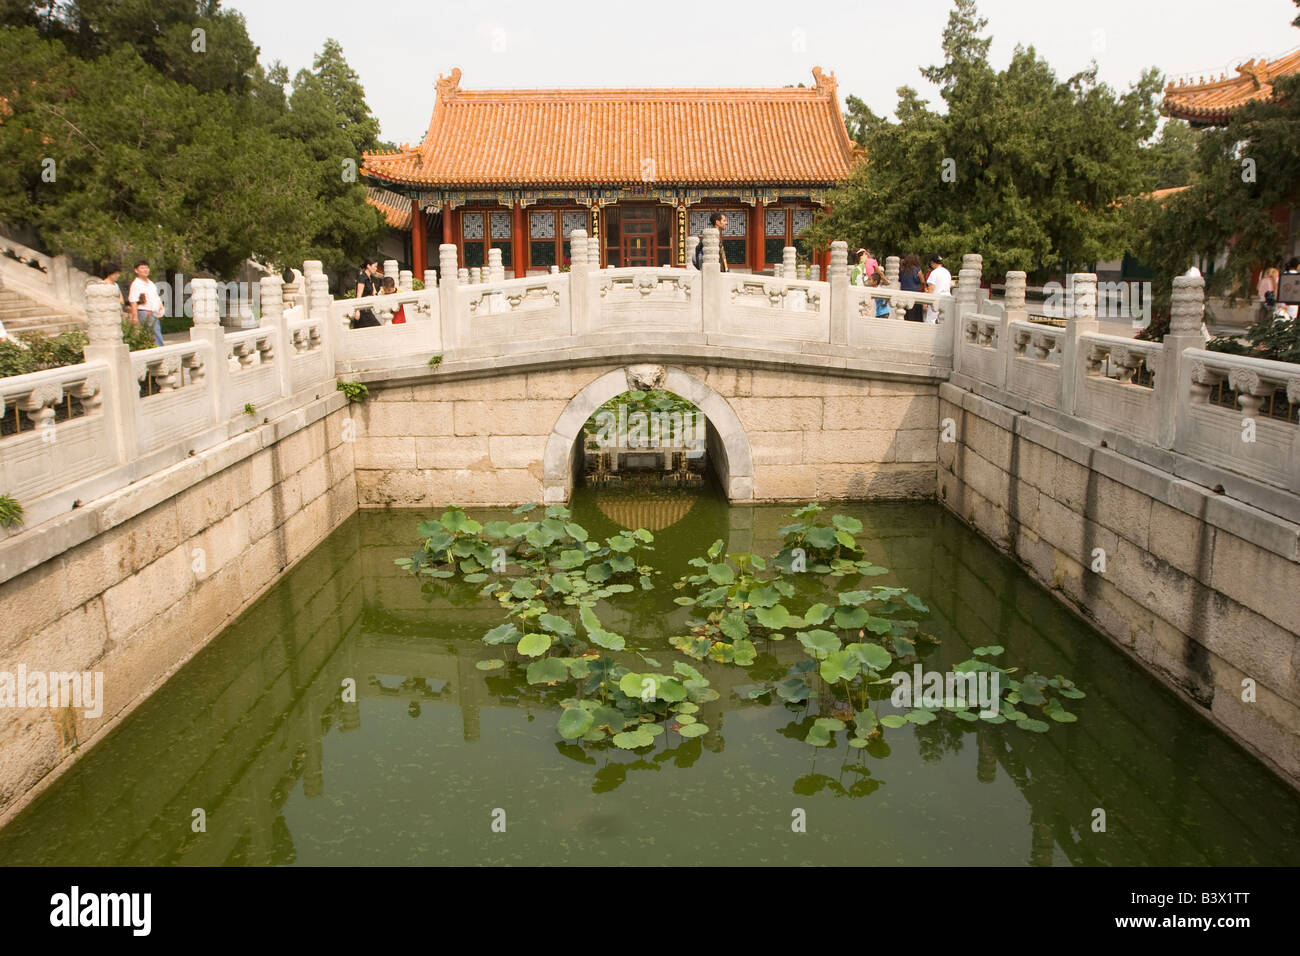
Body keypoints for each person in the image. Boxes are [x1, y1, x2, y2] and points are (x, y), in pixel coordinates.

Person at [127, 261, 165, 346]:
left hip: (154, 312)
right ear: (136, 270)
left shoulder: (150, 283)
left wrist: (161, 307)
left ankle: (158, 350)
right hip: (145, 311)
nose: (145, 270)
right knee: (155, 334)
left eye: (146, 267)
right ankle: (159, 351)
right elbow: (133, 301)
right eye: (142, 268)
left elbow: (156, 297)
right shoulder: (136, 284)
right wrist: (135, 317)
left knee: (155, 333)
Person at [352, 258, 381, 328]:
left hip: (367, 309)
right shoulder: (362, 278)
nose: (376, 269)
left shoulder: (370, 278)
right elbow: (358, 295)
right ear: (368, 266)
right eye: (375, 266)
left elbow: (374, 293)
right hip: (362, 310)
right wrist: (357, 310)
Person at [924, 254, 951, 324]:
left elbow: (931, 288)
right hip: (947, 299)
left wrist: (926, 302)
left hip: (936, 299)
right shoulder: (947, 272)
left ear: (932, 263)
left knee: (931, 320)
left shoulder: (934, 273)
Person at [899, 253, 925, 322]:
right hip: (915, 293)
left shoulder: (902, 270)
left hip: (904, 294)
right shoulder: (917, 270)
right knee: (915, 315)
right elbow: (922, 281)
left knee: (906, 314)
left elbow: (900, 280)